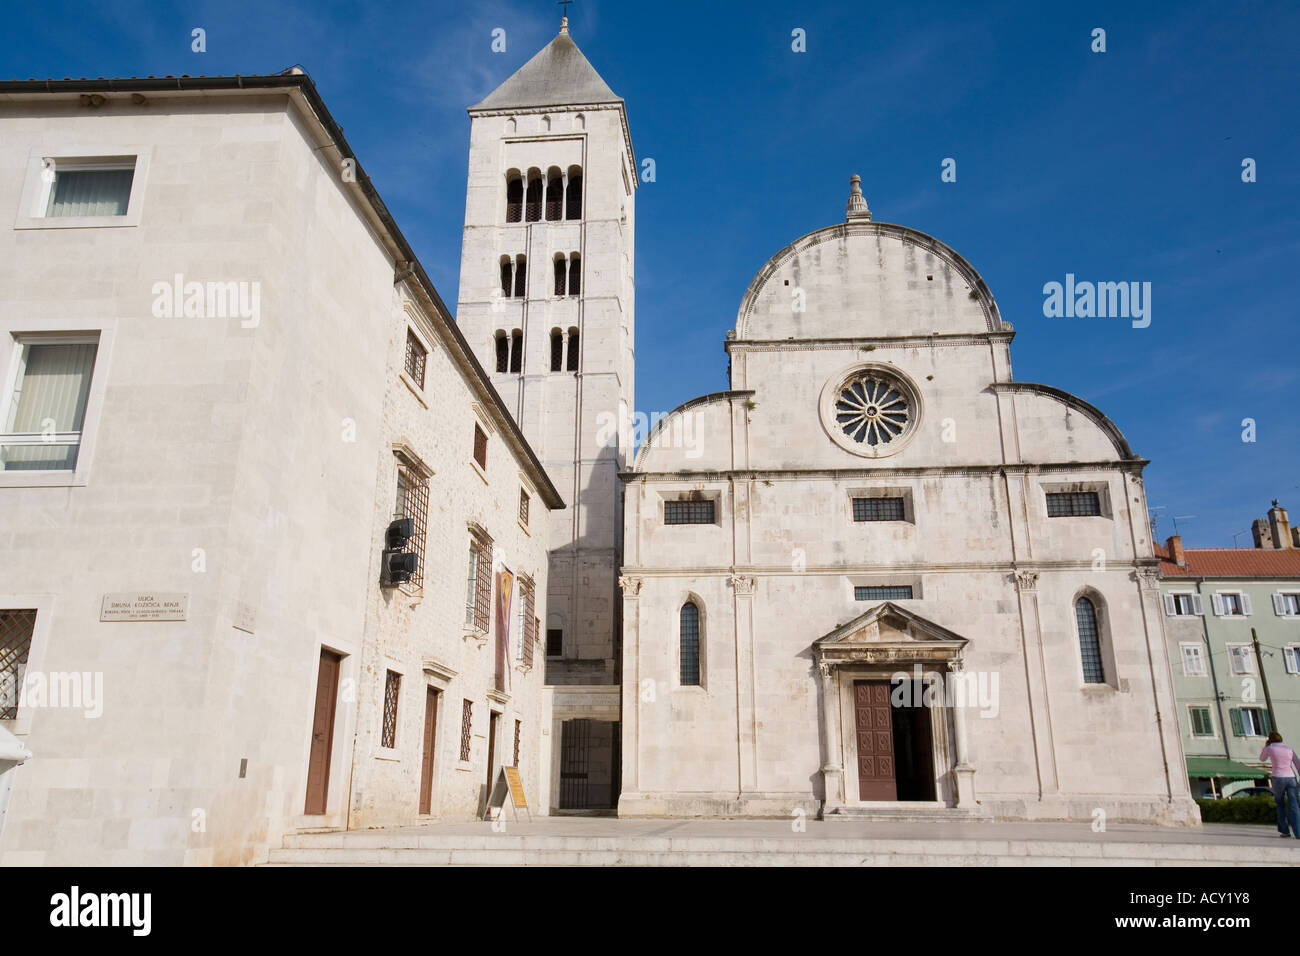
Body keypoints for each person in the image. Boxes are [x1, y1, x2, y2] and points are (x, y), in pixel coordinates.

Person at [1260, 731, 1300, 838]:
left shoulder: (1270, 748)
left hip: (1278, 778)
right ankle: (1299, 832)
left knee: (1280, 804)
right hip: (1291, 778)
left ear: (1270, 740)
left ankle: (1285, 831)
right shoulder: (1289, 749)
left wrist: (1266, 746)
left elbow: (1262, 759)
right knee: (1294, 804)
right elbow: (1298, 764)